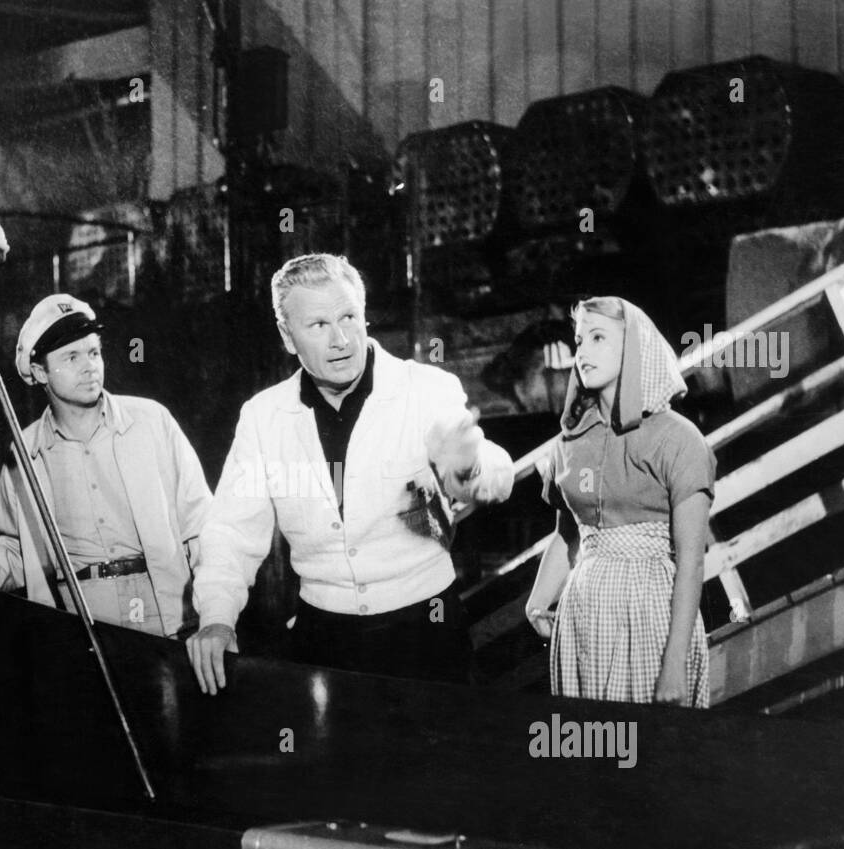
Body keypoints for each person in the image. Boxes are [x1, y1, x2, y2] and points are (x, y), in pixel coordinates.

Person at [186, 253, 515, 692]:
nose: (341, 339)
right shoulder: (264, 417)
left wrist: (469, 466)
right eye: (319, 325)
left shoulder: (425, 389)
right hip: (323, 636)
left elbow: (498, 475)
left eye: (349, 317)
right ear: (288, 337)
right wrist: (216, 618)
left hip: (426, 630)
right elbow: (231, 531)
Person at [0, 294, 211, 638]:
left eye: (94, 352)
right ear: (40, 371)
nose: (90, 366)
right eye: (72, 357)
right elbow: (17, 547)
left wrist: (214, 613)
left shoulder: (151, 422)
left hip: (166, 615)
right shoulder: (24, 452)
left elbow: (202, 526)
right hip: (77, 627)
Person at [525, 296, 715, 707]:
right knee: (593, 756)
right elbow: (569, 536)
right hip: (584, 615)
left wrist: (674, 663)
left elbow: (692, 559)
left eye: (598, 338)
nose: (583, 353)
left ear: (634, 349)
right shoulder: (570, 442)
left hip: (651, 612)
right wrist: (538, 602)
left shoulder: (679, 440)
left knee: (652, 757)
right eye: (579, 342)